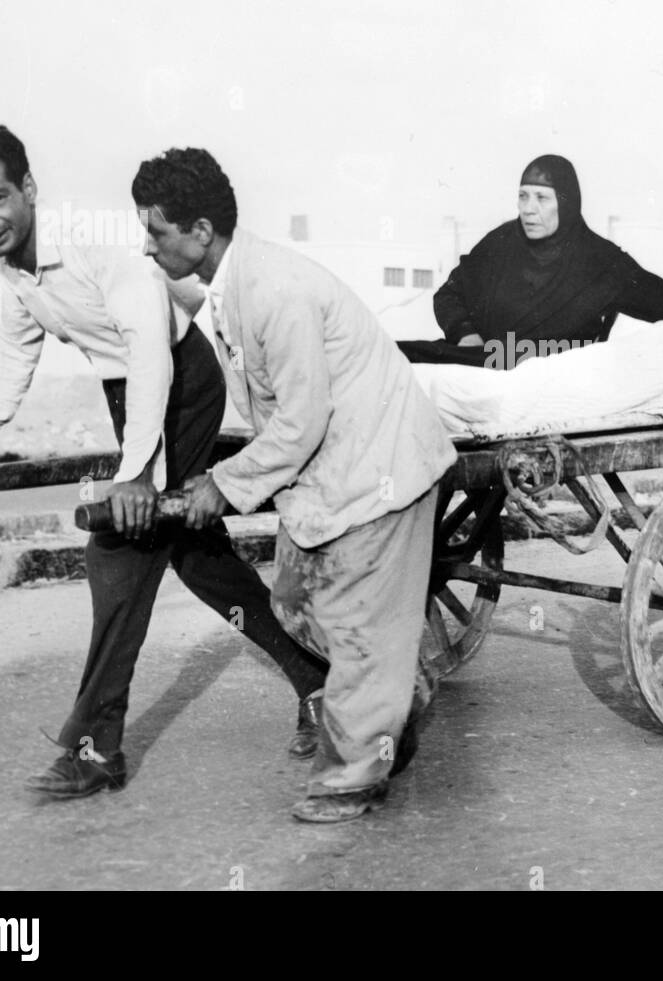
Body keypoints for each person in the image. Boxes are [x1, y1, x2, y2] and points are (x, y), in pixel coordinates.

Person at [0, 126, 332, 799]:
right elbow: (13, 353)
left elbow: (151, 347)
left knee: (118, 547)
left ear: (28, 189)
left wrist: (140, 472)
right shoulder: (16, 273)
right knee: (197, 555)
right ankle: (316, 677)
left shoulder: (91, 248)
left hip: (179, 379)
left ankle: (95, 745)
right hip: (133, 394)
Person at [135, 147, 457, 824]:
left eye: (156, 231)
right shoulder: (233, 281)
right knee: (293, 603)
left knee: (358, 629)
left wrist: (219, 487)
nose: (147, 244)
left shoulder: (273, 289)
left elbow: (300, 421)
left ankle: (352, 777)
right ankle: (400, 696)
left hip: (380, 468)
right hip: (334, 468)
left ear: (199, 231)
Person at [430, 154, 663, 377]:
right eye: (523, 197)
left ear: (565, 202)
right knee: (397, 359)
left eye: (541, 198)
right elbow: (450, 293)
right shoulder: (501, 243)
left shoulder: (601, 262)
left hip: (552, 371)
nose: (528, 209)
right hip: (480, 359)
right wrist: (465, 333)